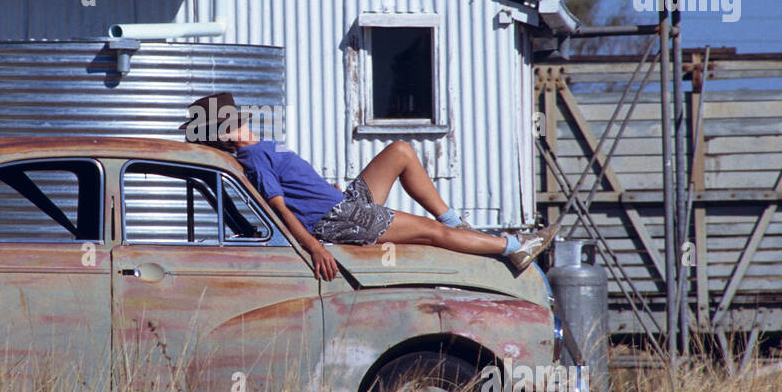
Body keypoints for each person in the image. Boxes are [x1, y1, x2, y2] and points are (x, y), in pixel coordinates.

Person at [180, 92, 559, 281]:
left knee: (400, 151)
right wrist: (315, 248)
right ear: (225, 130)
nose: (243, 117)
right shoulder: (254, 157)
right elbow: (280, 209)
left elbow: (296, 186)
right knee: (430, 232)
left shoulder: (261, 147)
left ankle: (457, 223)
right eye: (233, 116)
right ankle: (513, 247)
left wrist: (319, 185)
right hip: (337, 219)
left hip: (340, 203)